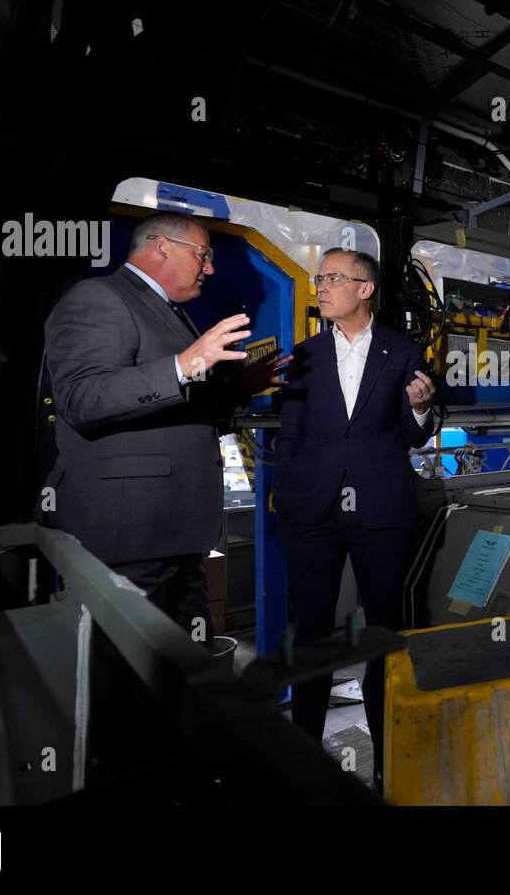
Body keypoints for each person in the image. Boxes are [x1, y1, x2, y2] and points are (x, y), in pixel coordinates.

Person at [42, 212, 286, 638]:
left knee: (183, 668)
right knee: (124, 670)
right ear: (162, 247)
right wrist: (183, 364)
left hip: (176, 532)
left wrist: (241, 387)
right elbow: (81, 399)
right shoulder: (100, 297)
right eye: (204, 255)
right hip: (131, 533)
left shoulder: (167, 311)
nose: (209, 268)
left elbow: (179, 409)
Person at [272, 247, 436, 791]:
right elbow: (289, 433)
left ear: (365, 289)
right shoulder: (305, 354)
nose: (321, 287)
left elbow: (415, 435)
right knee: (313, 632)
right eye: (321, 279)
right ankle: (302, 751)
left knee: (384, 631)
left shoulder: (403, 350)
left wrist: (419, 406)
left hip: (380, 507)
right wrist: (290, 493)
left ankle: (390, 750)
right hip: (312, 512)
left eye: (333, 279)